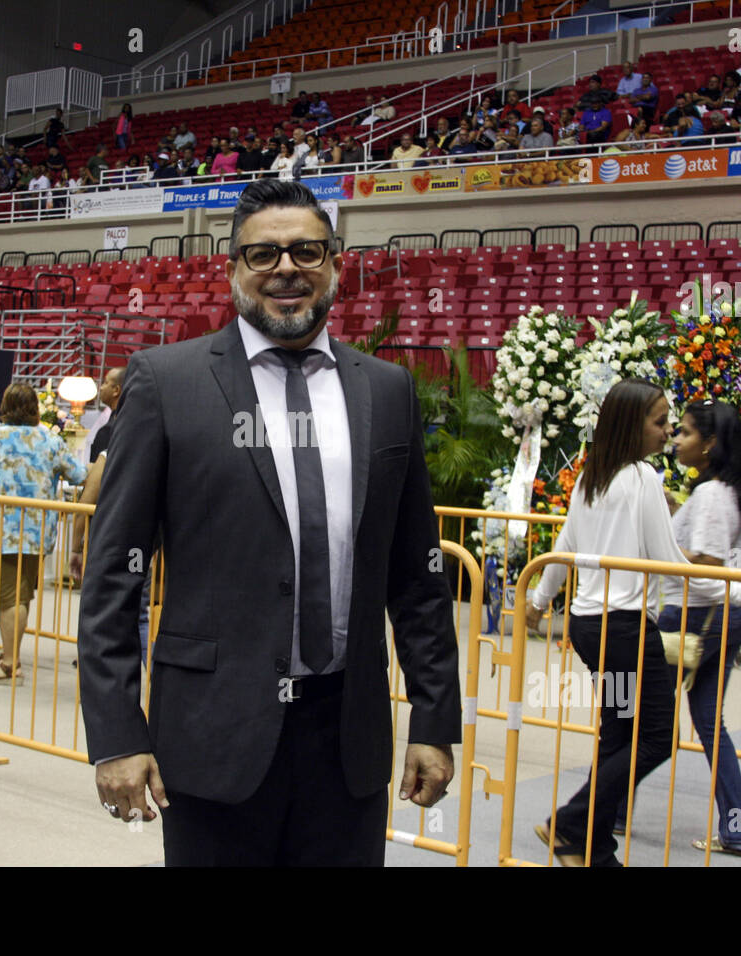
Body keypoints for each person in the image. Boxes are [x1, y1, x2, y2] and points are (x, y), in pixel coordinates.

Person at [79, 178, 461, 865]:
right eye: (263, 255)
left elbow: (417, 577)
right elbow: (112, 575)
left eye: (306, 252)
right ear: (233, 271)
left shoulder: (386, 389)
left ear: (336, 265)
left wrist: (434, 720)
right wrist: (116, 733)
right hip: (211, 738)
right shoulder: (168, 382)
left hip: (347, 739)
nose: (287, 268)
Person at [525, 378, 741, 866]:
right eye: (660, 422)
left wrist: (538, 599)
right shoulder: (642, 479)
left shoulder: (594, 477)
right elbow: (671, 563)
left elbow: (563, 550)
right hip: (625, 631)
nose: (668, 431)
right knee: (655, 737)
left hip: (591, 629)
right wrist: (739, 591)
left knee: (618, 731)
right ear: (633, 425)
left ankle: (590, 846)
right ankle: (571, 823)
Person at [654, 400, 741, 857]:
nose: (676, 439)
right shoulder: (717, 493)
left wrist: (660, 556)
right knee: (707, 724)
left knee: (638, 717)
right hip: (712, 618)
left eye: (684, 432)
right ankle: (736, 829)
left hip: (694, 618)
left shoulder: (713, 495)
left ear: (711, 443)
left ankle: (605, 808)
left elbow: (707, 567)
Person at [0, 383, 86, 682]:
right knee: (22, 596)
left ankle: (10, 661)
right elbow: (79, 475)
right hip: (38, 531)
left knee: (8, 598)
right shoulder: (50, 440)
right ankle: (10, 656)